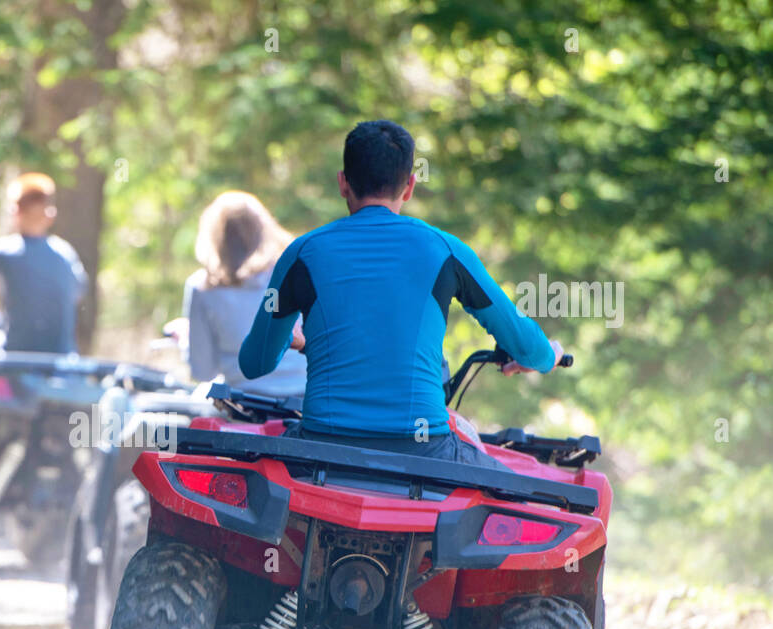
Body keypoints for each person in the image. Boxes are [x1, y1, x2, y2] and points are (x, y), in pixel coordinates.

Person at [238, 120, 563, 471]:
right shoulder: (447, 251)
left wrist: (291, 337)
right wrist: (549, 356)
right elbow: (527, 346)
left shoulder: (302, 253)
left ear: (343, 183)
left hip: (321, 447)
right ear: (409, 186)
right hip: (426, 452)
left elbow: (254, 365)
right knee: (517, 494)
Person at [182, 191, 305, 397]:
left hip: (244, 405)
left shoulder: (202, 287)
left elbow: (203, 372)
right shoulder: (297, 271)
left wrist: (184, 341)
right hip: (305, 402)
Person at [0, 172, 88, 354]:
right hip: (64, 364)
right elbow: (78, 293)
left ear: (16, 212)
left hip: (16, 364)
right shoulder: (66, 253)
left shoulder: (4, 251)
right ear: (50, 215)